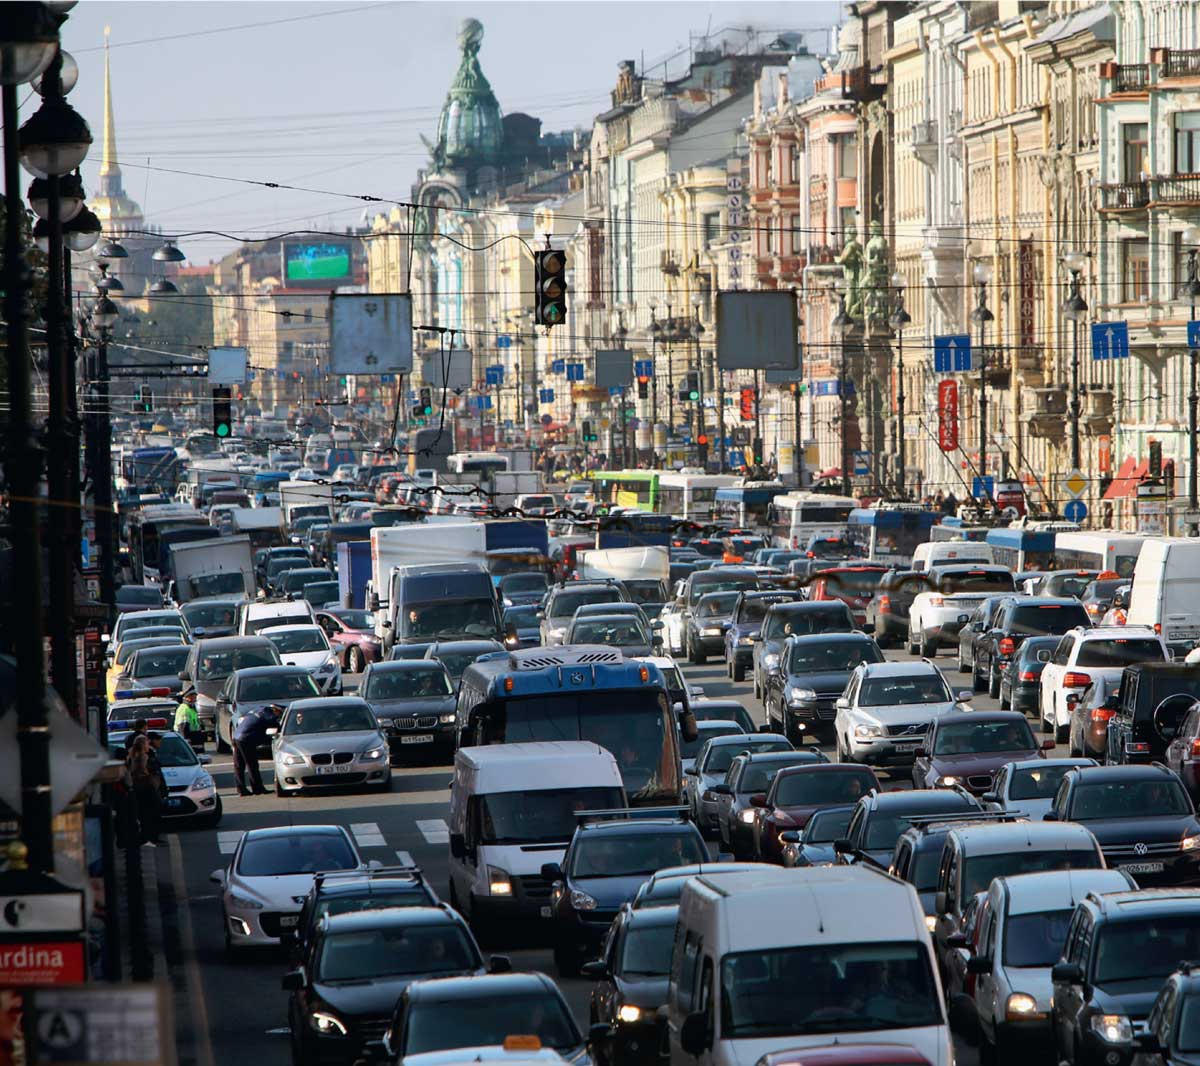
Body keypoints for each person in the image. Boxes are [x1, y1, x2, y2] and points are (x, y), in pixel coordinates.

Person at [232, 702, 282, 797]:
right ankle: (257, 789)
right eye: (279, 713)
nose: (278, 715)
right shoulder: (269, 714)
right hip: (246, 739)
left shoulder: (258, 709)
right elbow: (276, 725)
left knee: (239, 765)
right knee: (252, 764)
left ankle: (241, 789)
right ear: (275, 710)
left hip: (236, 736)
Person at [126, 735, 162, 847]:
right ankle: (148, 838)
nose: (148, 746)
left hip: (139, 789)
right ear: (142, 745)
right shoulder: (142, 757)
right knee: (149, 814)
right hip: (146, 789)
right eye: (147, 744)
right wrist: (150, 777)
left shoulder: (133, 755)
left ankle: (148, 837)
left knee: (144, 814)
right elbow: (140, 771)